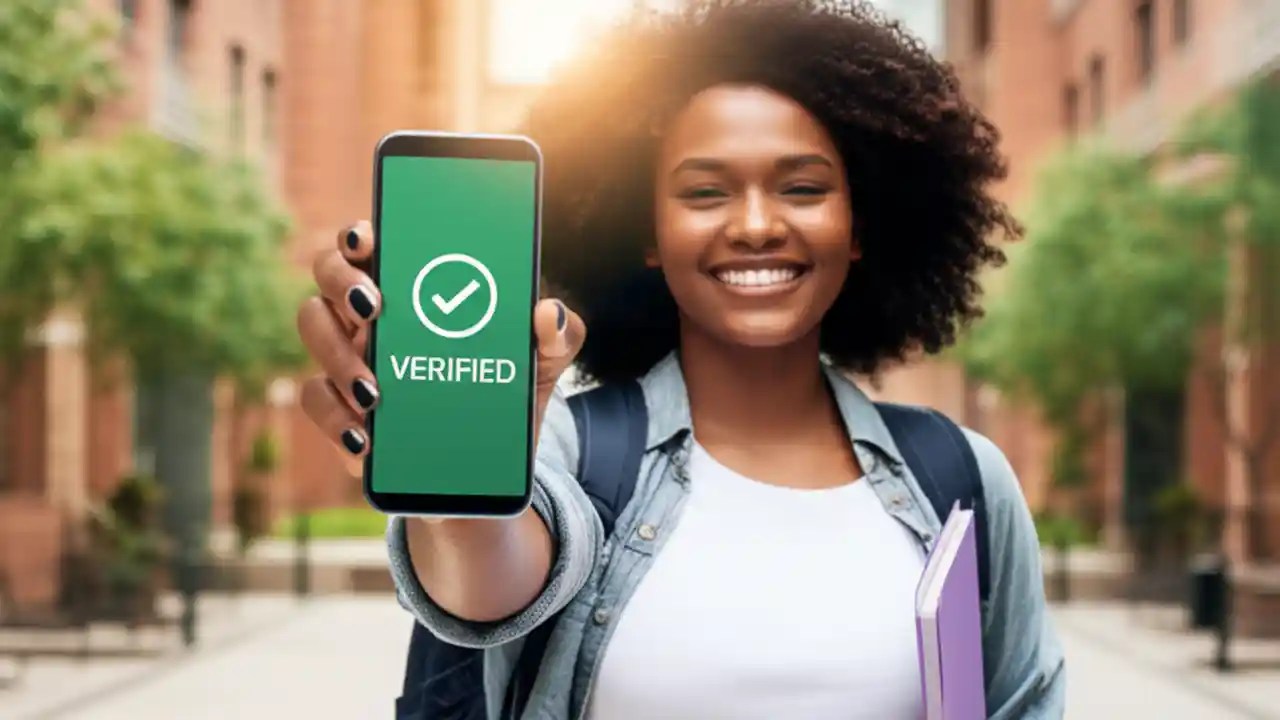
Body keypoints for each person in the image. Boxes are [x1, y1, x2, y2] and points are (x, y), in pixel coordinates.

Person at [296, 1, 1066, 717]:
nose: (758, 225)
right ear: (648, 235)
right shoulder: (567, 449)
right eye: (705, 193)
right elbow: (482, 584)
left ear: (858, 226)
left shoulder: (963, 482)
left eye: (802, 187)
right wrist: (453, 476)